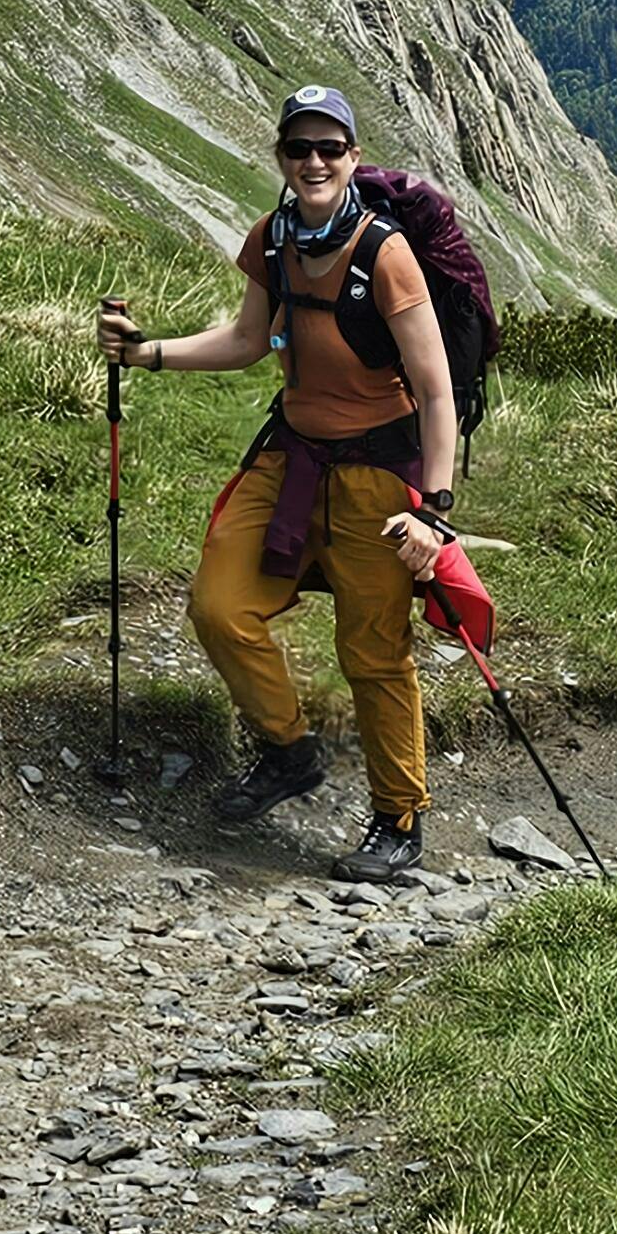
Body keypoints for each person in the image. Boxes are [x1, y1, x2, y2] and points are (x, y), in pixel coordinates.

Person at [96, 85, 456, 885]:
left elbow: (436, 393)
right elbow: (247, 338)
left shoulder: (385, 254)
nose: (316, 162)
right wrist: (145, 353)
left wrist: (434, 515)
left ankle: (398, 821)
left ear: (354, 158)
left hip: (376, 478)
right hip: (290, 459)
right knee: (221, 605)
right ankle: (291, 750)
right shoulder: (274, 238)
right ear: (282, 159)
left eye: (331, 148)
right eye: (301, 149)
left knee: (373, 654)